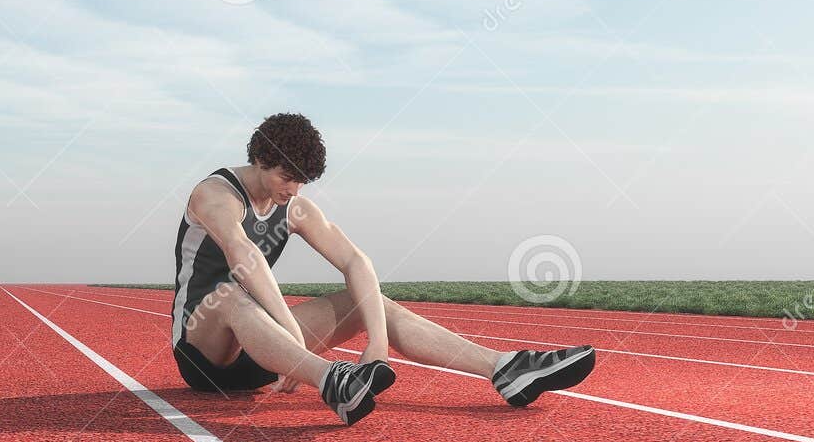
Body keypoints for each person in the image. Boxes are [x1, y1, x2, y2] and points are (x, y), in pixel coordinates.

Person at [171, 113, 596, 425]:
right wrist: (297, 338)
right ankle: (329, 380)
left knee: (374, 301)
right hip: (203, 350)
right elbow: (244, 257)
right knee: (232, 296)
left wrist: (376, 342)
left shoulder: (294, 206)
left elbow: (356, 261)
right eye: (287, 177)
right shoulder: (214, 194)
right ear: (260, 160)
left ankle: (505, 369)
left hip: (268, 351)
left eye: (302, 181)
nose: (293, 190)